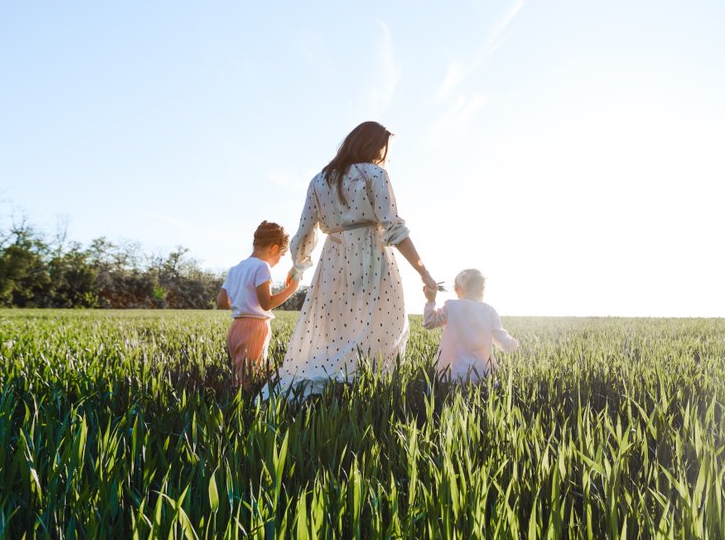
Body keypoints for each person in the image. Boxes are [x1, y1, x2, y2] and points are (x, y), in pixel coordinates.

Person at [270, 121, 436, 397]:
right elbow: (393, 227)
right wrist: (424, 273)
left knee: (337, 328)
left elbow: (303, 232)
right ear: (373, 145)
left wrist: (299, 266)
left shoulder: (319, 180)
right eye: (384, 148)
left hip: (333, 260)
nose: (385, 155)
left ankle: (326, 393)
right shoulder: (374, 174)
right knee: (382, 326)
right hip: (372, 254)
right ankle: (366, 393)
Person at [217, 221, 299, 391]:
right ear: (274, 248)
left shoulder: (235, 268)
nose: (278, 261)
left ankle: (236, 406)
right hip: (254, 328)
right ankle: (241, 411)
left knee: (241, 373)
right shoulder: (262, 267)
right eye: (281, 256)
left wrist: (242, 302)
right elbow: (266, 303)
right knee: (247, 380)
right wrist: (291, 289)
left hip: (236, 328)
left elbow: (222, 302)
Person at [423, 269, 519, 381]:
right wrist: (513, 344)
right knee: (480, 396)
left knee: (450, 397)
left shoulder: (451, 307)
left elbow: (429, 323)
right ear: (482, 289)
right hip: (482, 375)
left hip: (451, 375)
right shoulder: (489, 311)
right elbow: (502, 340)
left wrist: (431, 299)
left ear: (457, 289)